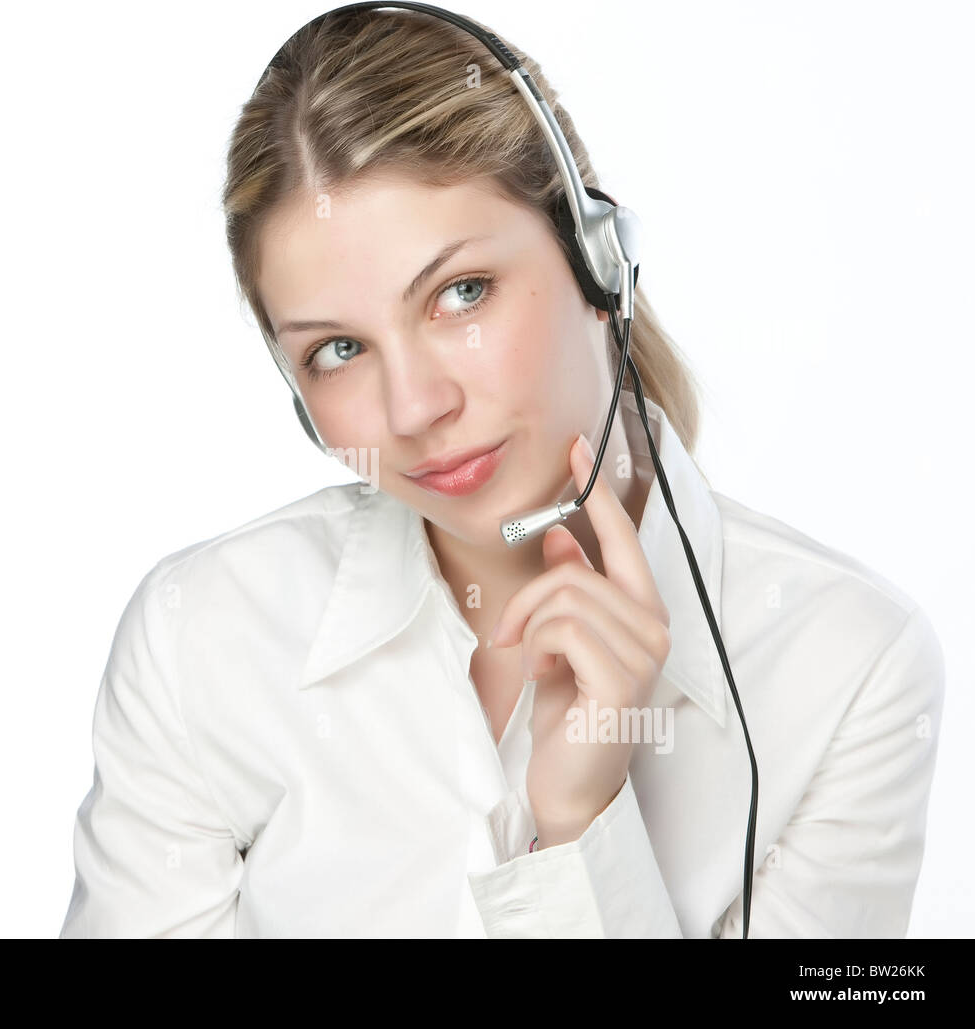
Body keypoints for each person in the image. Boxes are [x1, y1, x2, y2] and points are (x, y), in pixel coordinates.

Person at [58, 7, 945, 938]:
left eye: (461, 294)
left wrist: (582, 828)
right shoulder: (201, 640)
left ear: (600, 266)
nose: (413, 408)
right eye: (339, 349)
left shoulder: (852, 671)